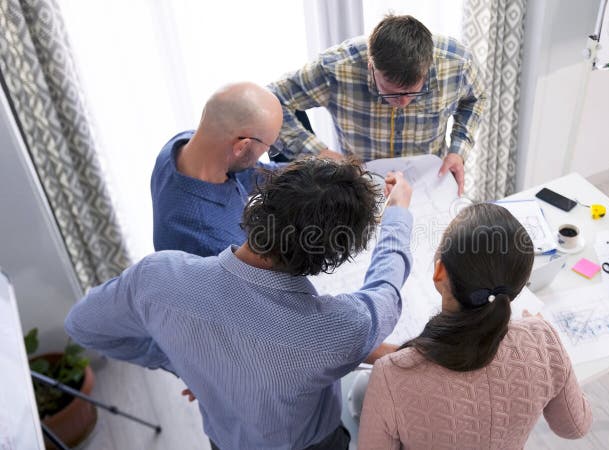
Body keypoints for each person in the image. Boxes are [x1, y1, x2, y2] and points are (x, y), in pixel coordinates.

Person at [66, 157, 415, 450]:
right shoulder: (342, 327)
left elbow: (81, 325)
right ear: (334, 257)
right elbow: (385, 290)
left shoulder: (156, 277)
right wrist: (398, 212)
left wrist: (184, 362)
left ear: (261, 202)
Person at [358, 203, 592, 449]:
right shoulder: (543, 338)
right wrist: (549, 347)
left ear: (440, 272)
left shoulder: (391, 376)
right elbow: (576, 427)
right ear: (519, 283)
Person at [269, 14, 485, 196]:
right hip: (361, 186)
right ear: (371, 66)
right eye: (390, 93)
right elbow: (273, 98)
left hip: (428, 183)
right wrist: (320, 152)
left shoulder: (457, 63)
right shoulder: (336, 68)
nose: (402, 103)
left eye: (412, 92)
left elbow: (475, 99)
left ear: (428, 67)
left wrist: (458, 150)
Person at [150, 82, 283, 257]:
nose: (268, 151)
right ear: (242, 147)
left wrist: (310, 170)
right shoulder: (215, 242)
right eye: (270, 147)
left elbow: (251, 173)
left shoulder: (182, 146)